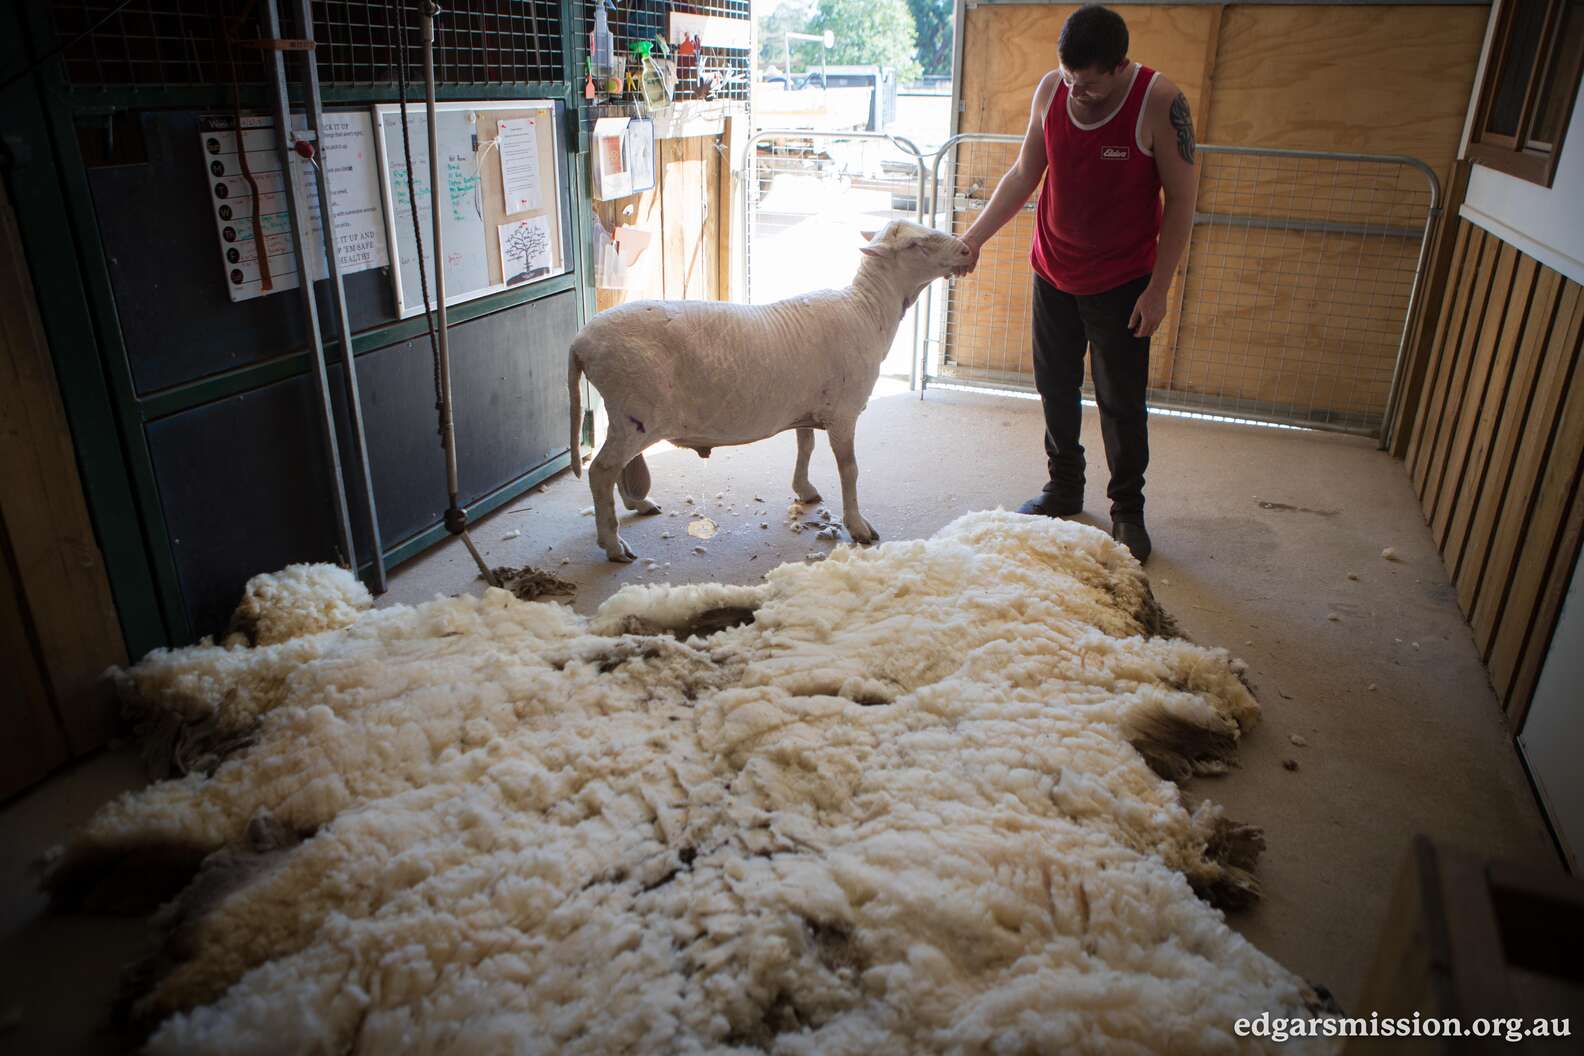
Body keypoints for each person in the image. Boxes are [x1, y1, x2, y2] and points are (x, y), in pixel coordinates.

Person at [956, 3, 1199, 563]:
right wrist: (973, 238)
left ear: (1120, 66)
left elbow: (1182, 201)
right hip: (1054, 271)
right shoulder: (1051, 91)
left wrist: (1159, 289)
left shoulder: (1159, 101)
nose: (1076, 91)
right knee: (1055, 386)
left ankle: (1127, 510)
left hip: (1123, 281)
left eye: (1087, 83)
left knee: (1120, 402)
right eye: (1068, 78)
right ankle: (1065, 485)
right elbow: (1024, 173)